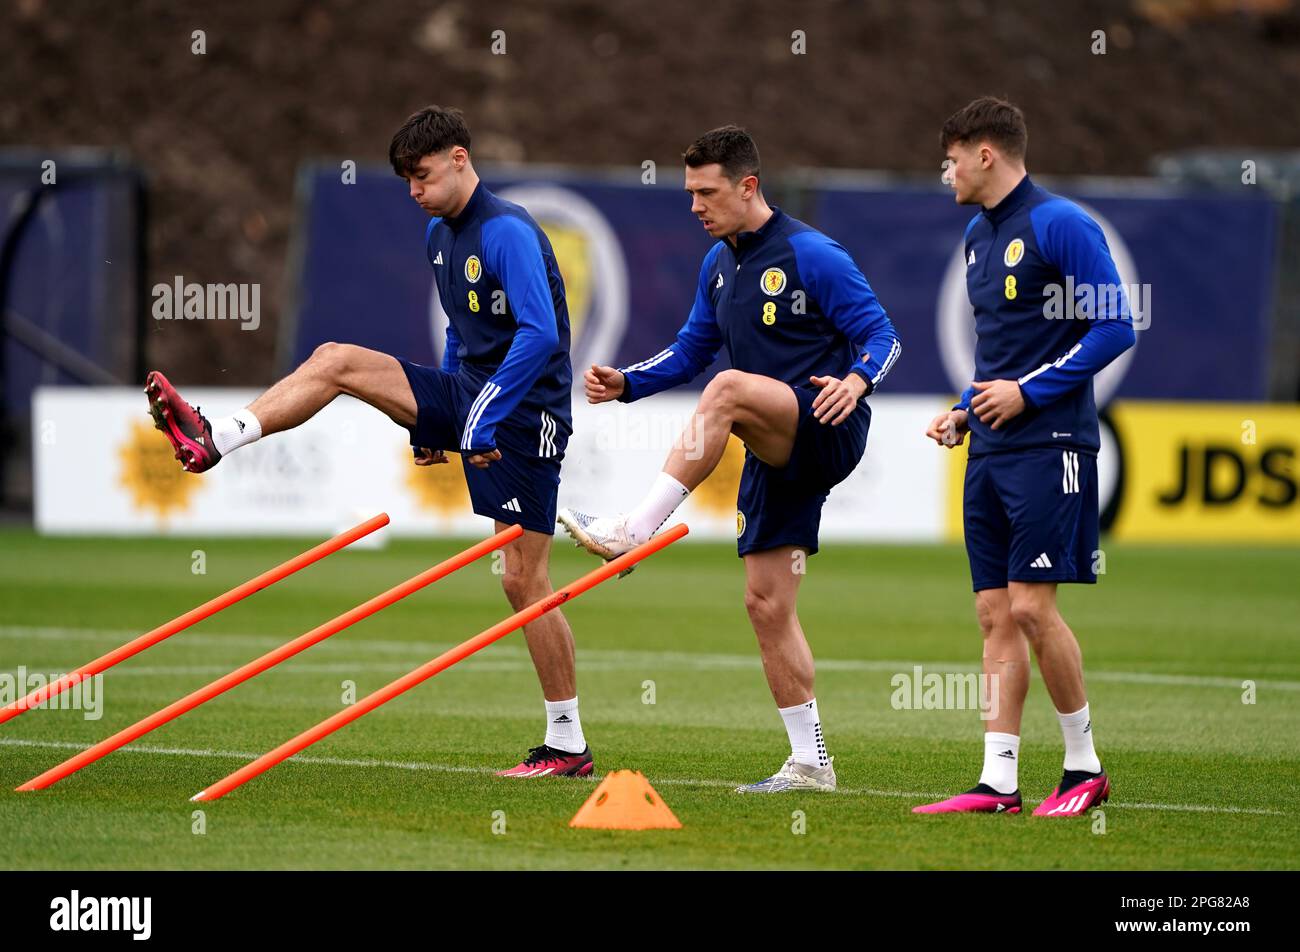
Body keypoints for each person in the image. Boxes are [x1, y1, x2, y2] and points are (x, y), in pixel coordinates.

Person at [146, 105, 595, 779]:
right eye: (405, 181)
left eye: (422, 176)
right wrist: (430, 420)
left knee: (523, 580)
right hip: (470, 397)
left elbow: (540, 336)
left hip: (526, 415)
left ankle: (568, 745)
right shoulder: (440, 237)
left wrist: (478, 419)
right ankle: (216, 437)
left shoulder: (507, 232)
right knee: (334, 360)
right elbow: (459, 331)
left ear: (460, 160)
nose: (414, 191)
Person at [559, 125, 901, 794]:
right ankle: (811, 764)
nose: (693, 205)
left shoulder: (812, 254)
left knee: (726, 391)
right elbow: (690, 351)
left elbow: (883, 336)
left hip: (828, 424)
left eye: (706, 191)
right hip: (774, 447)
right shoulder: (718, 265)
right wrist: (627, 382)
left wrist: (856, 382)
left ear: (748, 186)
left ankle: (636, 530)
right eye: (689, 192)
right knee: (766, 604)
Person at [916, 96, 1135, 816]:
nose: (943, 170)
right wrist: (962, 409)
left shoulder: (1061, 223)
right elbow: (997, 355)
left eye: (951, 157)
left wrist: (1028, 394)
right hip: (993, 451)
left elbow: (1114, 326)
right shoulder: (980, 237)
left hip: (1052, 445)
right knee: (993, 614)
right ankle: (998, 781)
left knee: (1035, 610)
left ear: (986, 154)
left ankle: (1084, 769)